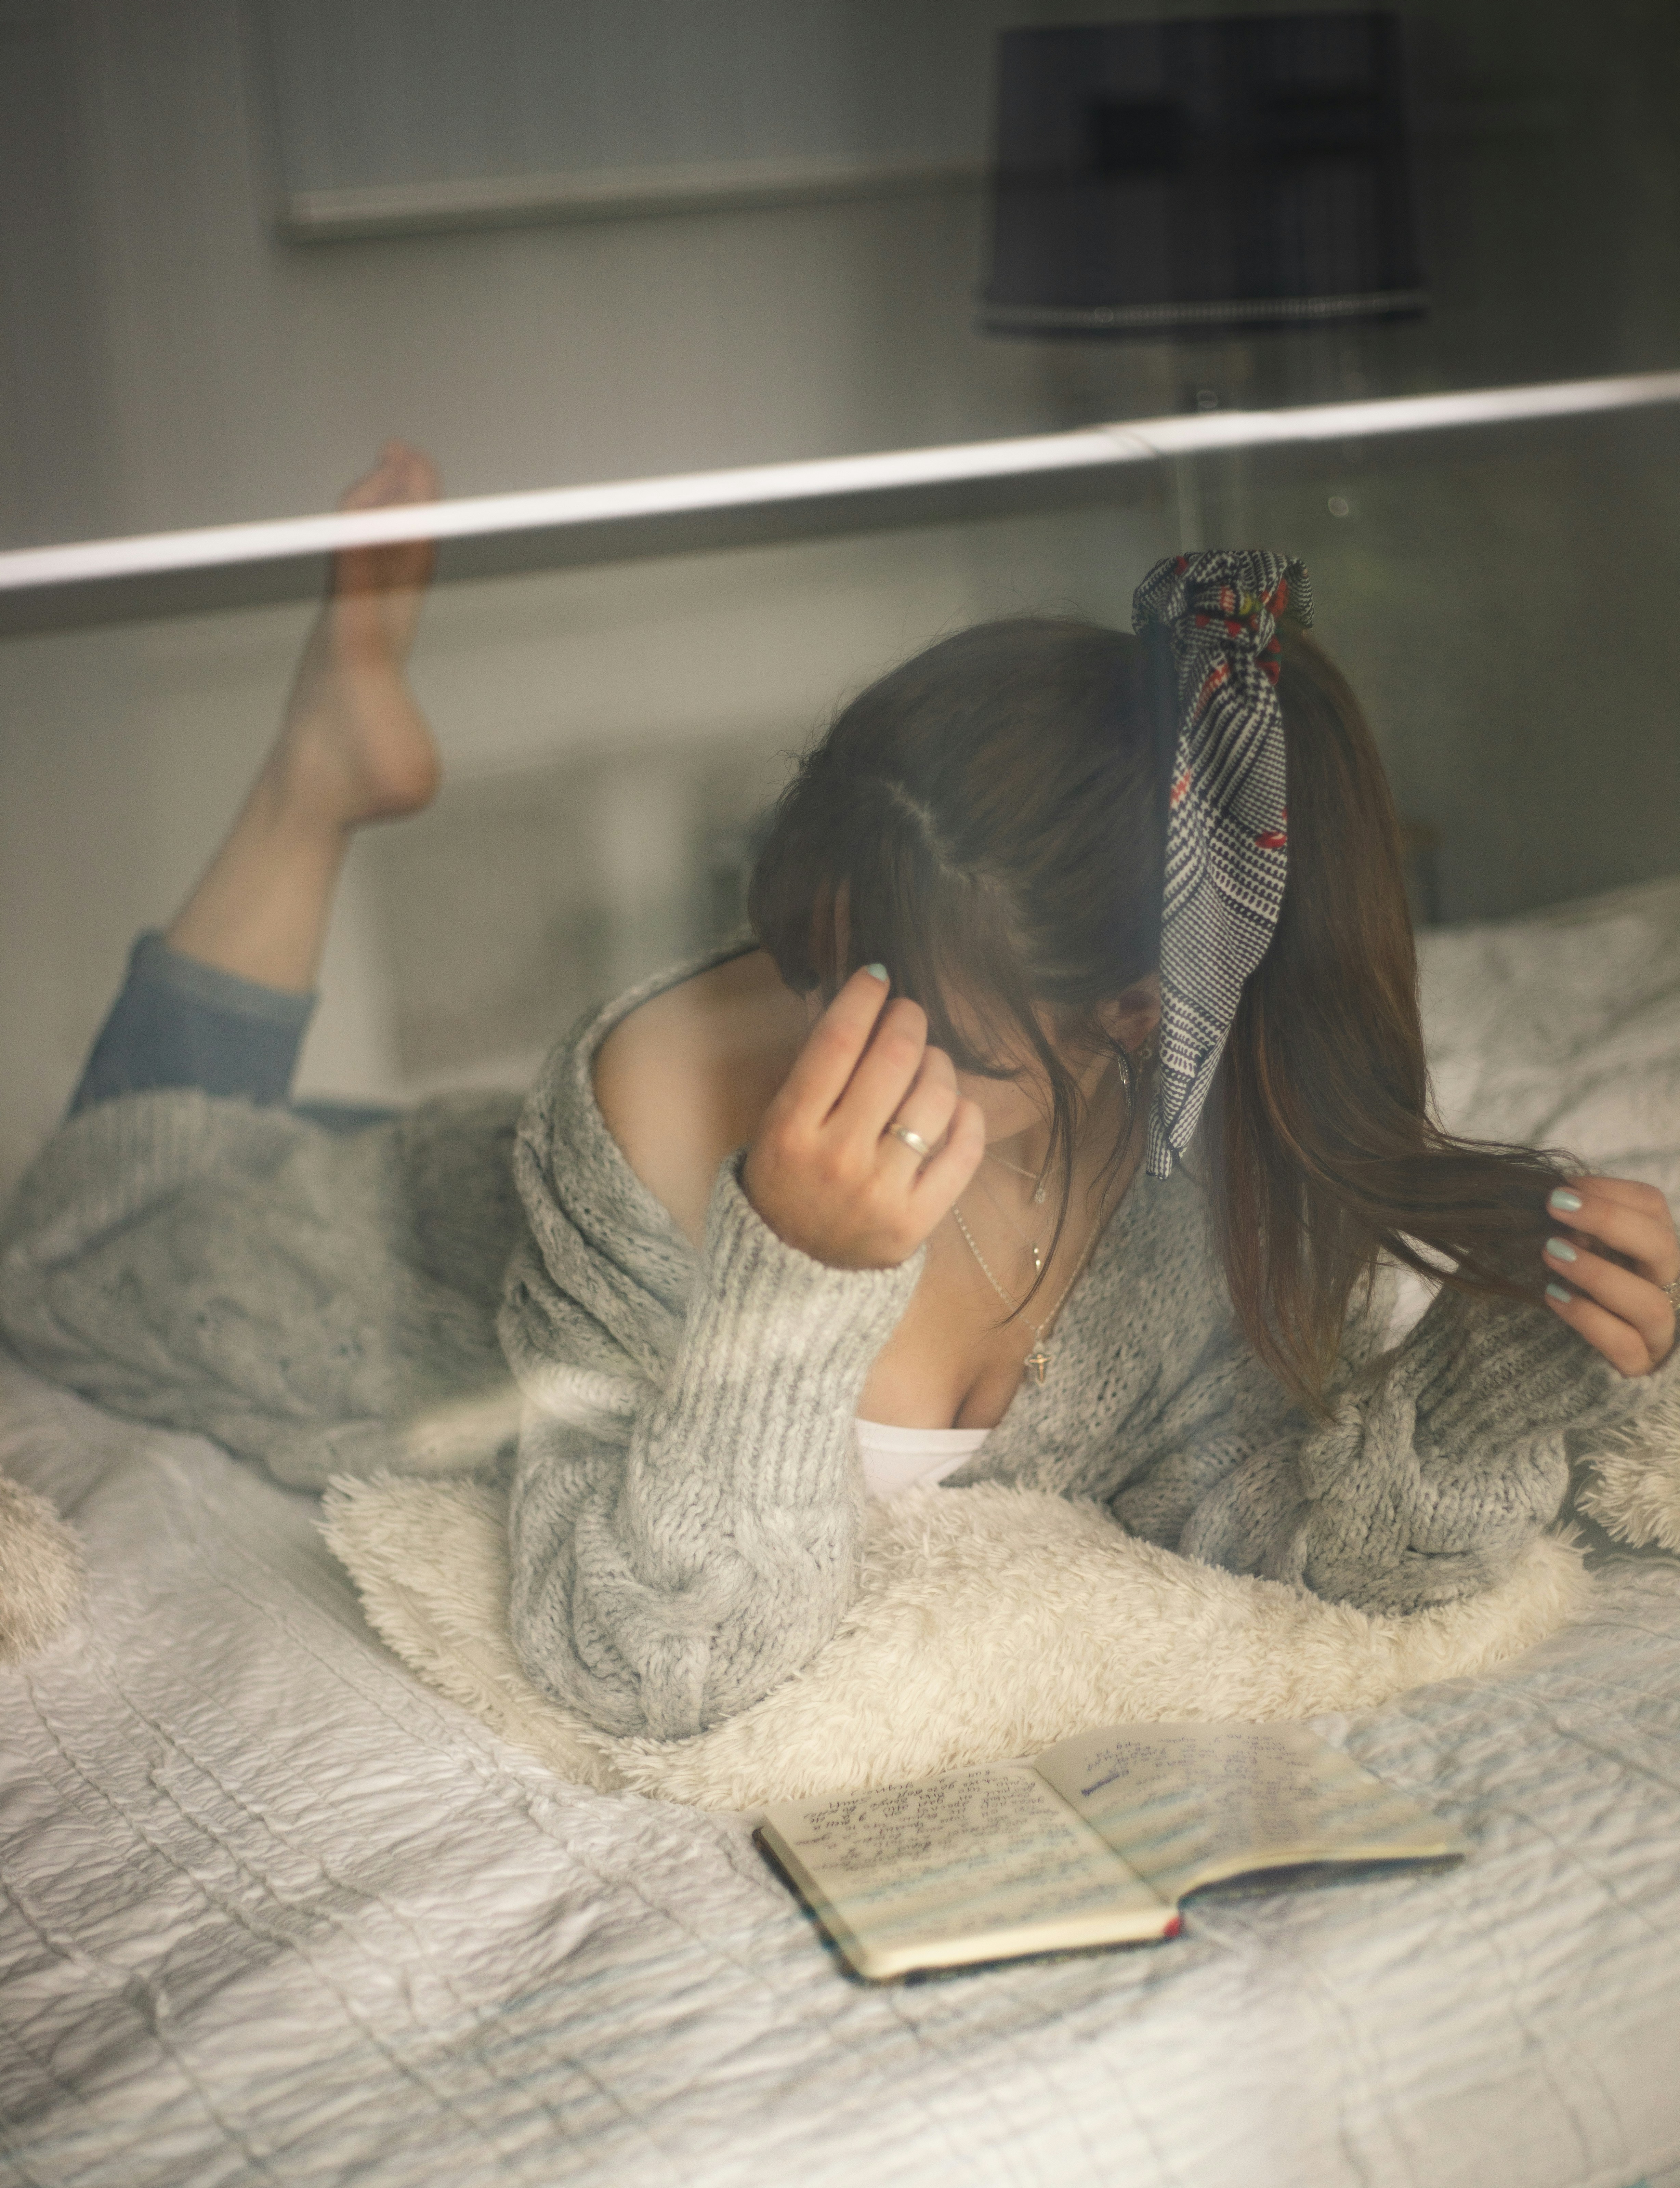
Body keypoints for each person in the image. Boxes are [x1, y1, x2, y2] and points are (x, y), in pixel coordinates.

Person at [3, 446, 1677, 1742]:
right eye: (811, 961)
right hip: (384, 1260)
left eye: (917, 1014)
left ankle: (328, 771)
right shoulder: (655, 1100)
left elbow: (1310, 1545)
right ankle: (316, 777)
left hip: (491, 1180)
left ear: (1130, 1023)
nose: (825, 1041)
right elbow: (639, 1656)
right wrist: (792, 1279)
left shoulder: (1185, 1157)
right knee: (94, 1207)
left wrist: (1505, 1366)